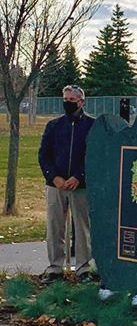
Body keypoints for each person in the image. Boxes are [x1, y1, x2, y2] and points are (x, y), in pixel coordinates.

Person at [38, 84, 96, 284]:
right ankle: (55, 268)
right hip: (56, 186)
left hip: (80, 186)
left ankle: (83, 268)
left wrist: (79, 176)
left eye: (72, 100)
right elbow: (44, 155)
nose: (68, 103)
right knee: (55, 227)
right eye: (66, 99)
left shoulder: (92, 126)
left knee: (82, 228)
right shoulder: (54, 126)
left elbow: (95, 156)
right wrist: (54, 177)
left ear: (81, 102)